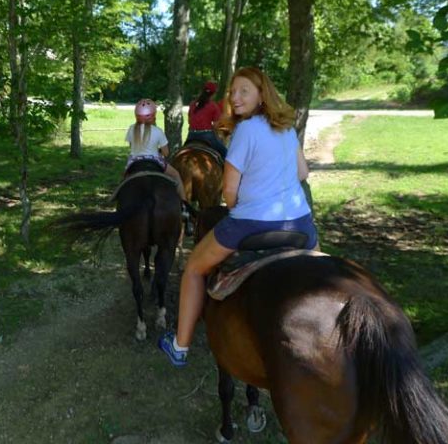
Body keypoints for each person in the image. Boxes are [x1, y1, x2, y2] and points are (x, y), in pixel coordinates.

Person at [158, 67, 319, 367]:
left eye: (244, 90)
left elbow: (229, 191)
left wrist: (236, 207)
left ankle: (179, 345)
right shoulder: (286, 128)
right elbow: (303, 173)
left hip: (252, 223)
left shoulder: (245, 130)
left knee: (194, 267)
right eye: (233, 91)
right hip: (300, 224)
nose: (235, 96)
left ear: (262, 94)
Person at [125, 98, 188, 203]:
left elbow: (131, 146)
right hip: (154, 160)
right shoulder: (158, 131)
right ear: (153, 115)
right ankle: (185, 206)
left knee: (125, 179)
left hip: (134, 161)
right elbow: (166, 153)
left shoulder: (132, 129)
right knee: (176, 175)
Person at [185, 81, 227, 158]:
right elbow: (216, 125)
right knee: (225, 152)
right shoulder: (213, 106)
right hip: (206, 135)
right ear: (213, 94)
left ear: (202, 91)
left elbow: (189, 121)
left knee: (181, 152)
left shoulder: (193, 104)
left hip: (191, 135)